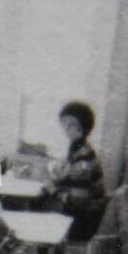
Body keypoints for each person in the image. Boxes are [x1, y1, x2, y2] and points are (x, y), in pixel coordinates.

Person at [43, 101, 106, 241]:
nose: (66, 128)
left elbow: (78, 203)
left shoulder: (83, 159)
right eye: (64, 124)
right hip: (81, 217)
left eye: (71, 124)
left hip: (83, 223)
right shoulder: (79, 149)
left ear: (81, 128)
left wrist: (54, 190)